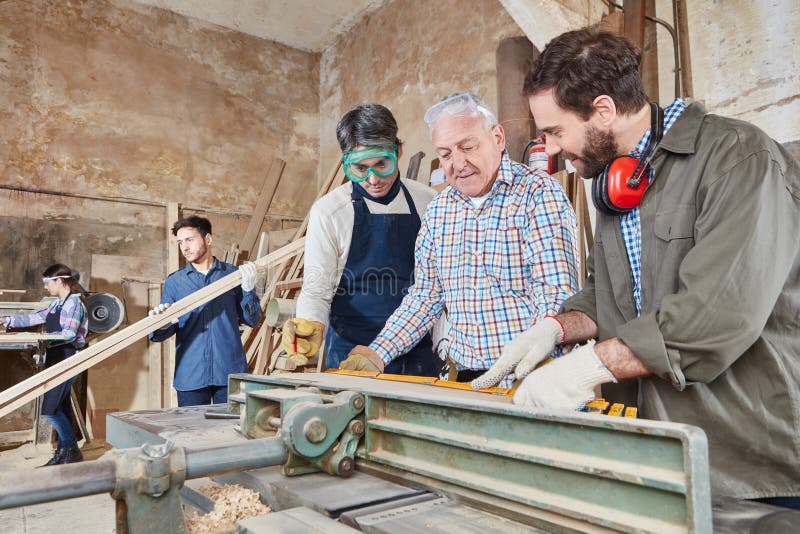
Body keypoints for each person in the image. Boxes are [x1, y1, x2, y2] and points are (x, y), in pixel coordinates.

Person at [479, 26, 800, 507]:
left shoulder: (738, 159)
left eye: (555, 131)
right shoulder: (612, 181)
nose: (550, 148)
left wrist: (586, 368)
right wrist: (556, 327)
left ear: (604, 110)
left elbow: (717, 315)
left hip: (746, 463)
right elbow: (603, 290)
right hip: (659, 448)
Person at [339, 92, 580, 386]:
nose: (458, 163)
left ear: (498, 138)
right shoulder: (439, 211)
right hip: (467, 383)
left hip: (531, 378)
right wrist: (377, 354)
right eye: (445, 154)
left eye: (467, 146)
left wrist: (540, 364)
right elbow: (425, 297)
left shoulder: (537, 194)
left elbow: (555, 294)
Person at [289, 103, 440, 376]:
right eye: (359, 168)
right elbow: (317, 288)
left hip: (416, 352)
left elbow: (437, 287)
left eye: (382, 164)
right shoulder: (329, 211)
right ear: (346, 162)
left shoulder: (429, 203)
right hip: (351, 354)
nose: (373, 179)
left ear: (399, 151)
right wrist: (310, 326)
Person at [148, 215, 260, 406]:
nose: (184, 247)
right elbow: (158, 334)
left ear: (208, 239)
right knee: (192, 432)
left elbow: (253, 320)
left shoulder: (233, 276)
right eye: (180, 242)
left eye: (190, 240)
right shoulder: (175, 282)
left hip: (229, 371)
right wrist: (162, 323)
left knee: (228, 432)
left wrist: (248, 291)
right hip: (191, 374)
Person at [0, 264, 88, 465]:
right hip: (55, 356)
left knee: (50, 409)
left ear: (59, 281)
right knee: (62, 408)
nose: (46, 287)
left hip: (68, 358)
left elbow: (69, 333)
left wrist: (39, 335)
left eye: (48, 282)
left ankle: (71, 450)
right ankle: (66, 452)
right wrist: (6, 321)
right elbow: (35, 317)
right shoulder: (57, 304)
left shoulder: (73, 304)